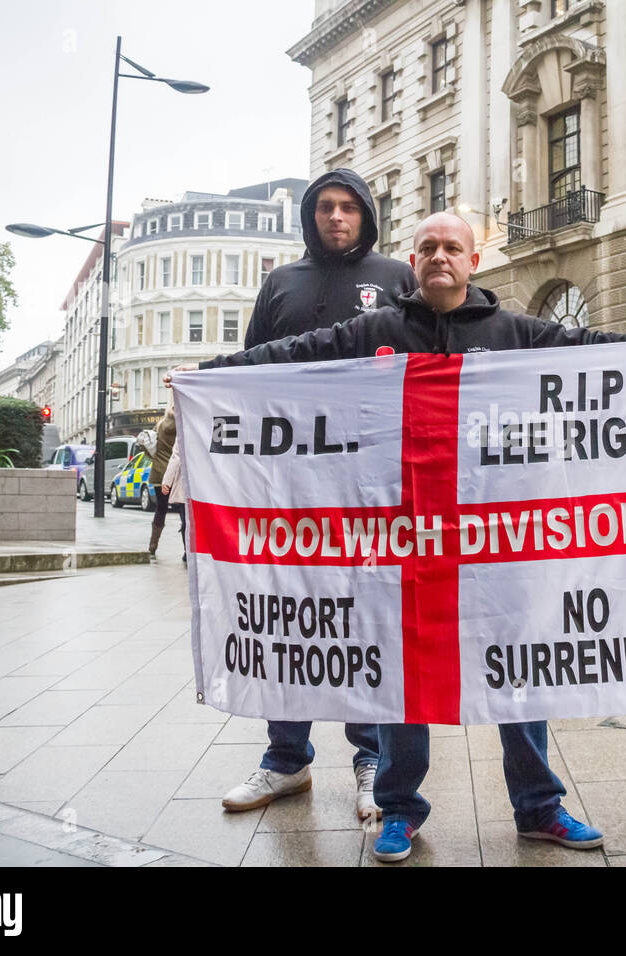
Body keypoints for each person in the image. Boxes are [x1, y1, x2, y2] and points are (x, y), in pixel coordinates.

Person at [169, 211, 626, 863]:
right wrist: (211, 373)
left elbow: (598, 348)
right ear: (412, 261)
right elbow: (293, 356)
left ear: (474, 260)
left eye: (452, 247)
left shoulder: (513, 333)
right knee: (402, 679)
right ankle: (398, 810)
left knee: (520, 673)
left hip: (498, 542)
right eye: (427, 248)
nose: (439, 256)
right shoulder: (377, 331)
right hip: (403, 542)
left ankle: (539, 807)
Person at [221, 169, 415, 824]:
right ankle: (286, 759)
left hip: (373, 479)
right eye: (326, 207)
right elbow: (251, 375)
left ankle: (370, 760)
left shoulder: (395, 278)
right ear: (311, 216)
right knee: (289, 613)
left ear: (367, 214)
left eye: (349, 207)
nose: (337, 217)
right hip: (293, 481)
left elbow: (429, 365)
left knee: (367, 617)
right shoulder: (280, 284)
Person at [146, 406, 178, 556]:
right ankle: (187, 549)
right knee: (183, 510)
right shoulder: (180, 425)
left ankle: (153, 544)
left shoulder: (160, 424)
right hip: (175, 472)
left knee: (161, 508)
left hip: (158, 471)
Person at [159, 445, 187, 562]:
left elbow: (176, 456)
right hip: (205, 486)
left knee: (186, 521)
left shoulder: (184, 428)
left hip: (186, 485)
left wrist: (167, 481)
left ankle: (188, 550)